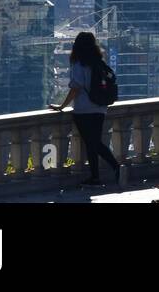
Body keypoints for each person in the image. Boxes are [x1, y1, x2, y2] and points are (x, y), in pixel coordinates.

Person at [50, 32, 120, 187]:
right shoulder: (98, 62)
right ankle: (97, 177)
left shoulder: (78, 64)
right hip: (100, 108)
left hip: (84, 109)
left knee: (92, 143)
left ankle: (114, 167)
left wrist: (62, 106)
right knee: (94, 142)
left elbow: (76, 87)